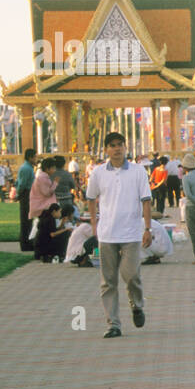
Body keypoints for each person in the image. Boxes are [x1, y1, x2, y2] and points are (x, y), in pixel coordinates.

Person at [85, 132, 153, 339]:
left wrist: (147, 228)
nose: (117, 149)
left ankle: (137, 305)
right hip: (107, 234)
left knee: (131, 275)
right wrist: (94, 224)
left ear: (125, 147)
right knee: (108, 282)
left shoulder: (137, 171)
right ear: (106, 149)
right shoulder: (97, 173)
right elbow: (90, 198)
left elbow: (146, 200)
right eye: (112, 145)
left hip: (131, 233)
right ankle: (113, 324)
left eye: (120, 145)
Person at [16, 149, 37, 251]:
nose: (35, 159)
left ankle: (27, 243)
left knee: (28, 219)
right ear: (30, 157)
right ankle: (25, 244)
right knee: (26, 220)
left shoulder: (28, 168)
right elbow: (22, 184)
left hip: (28, 194)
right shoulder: (26, 169)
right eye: (34, 157)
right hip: (26, 194)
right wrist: (19, 194)